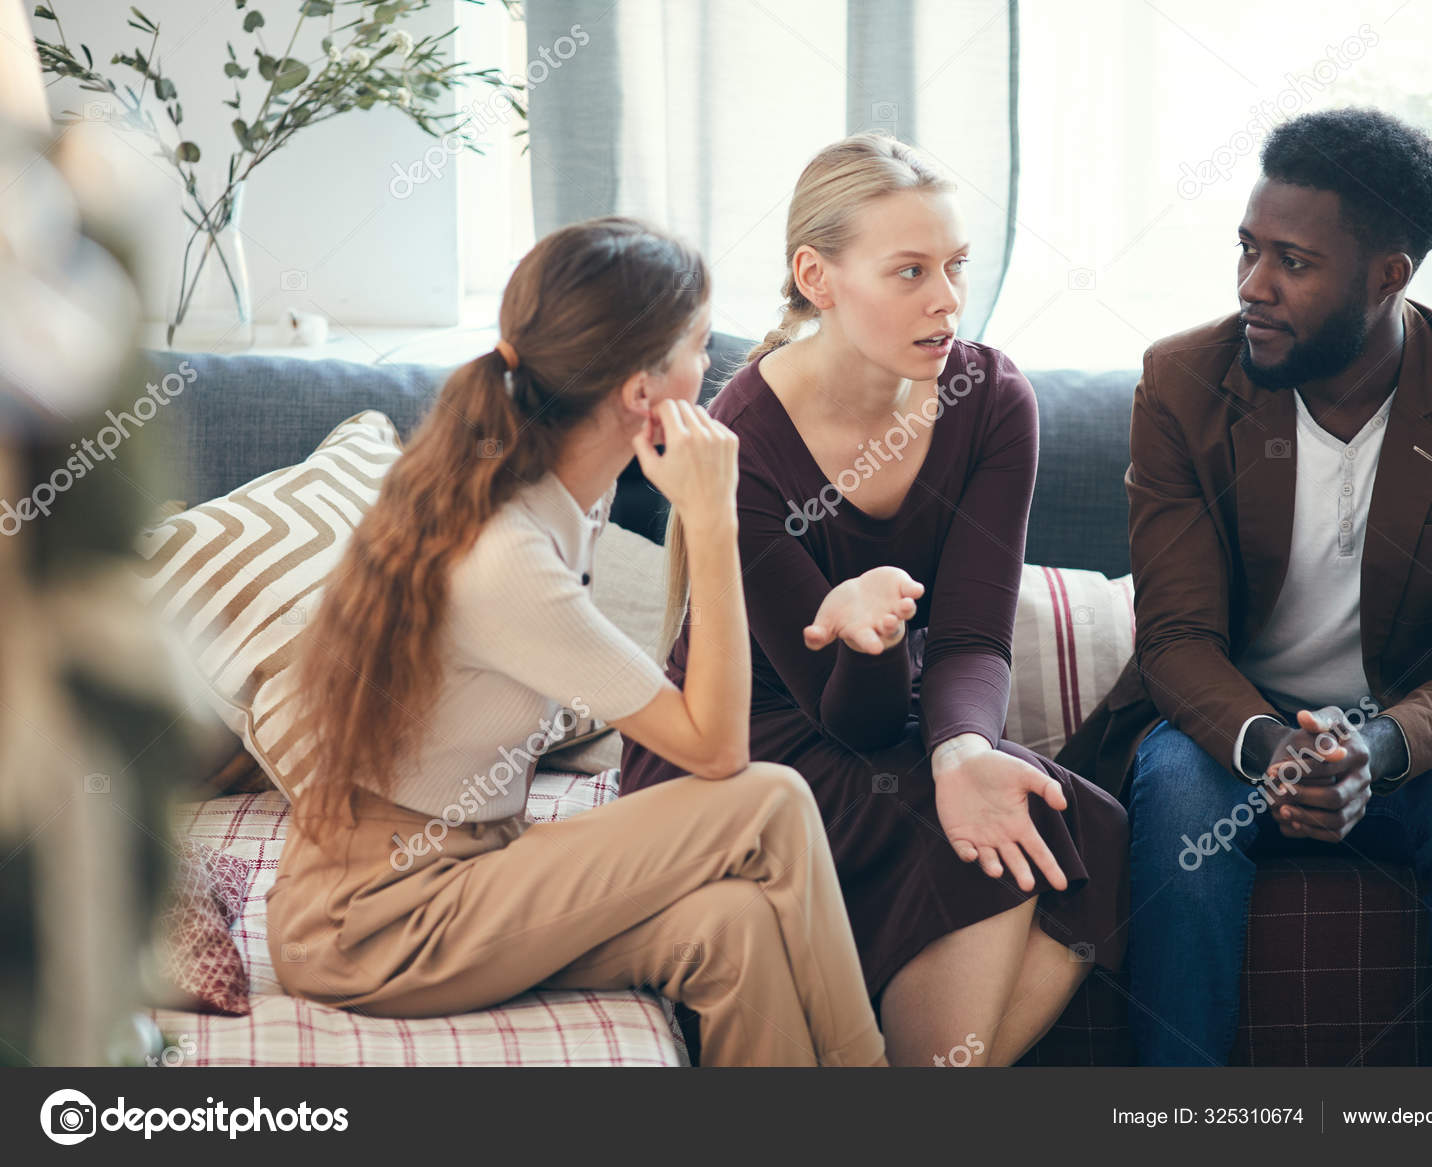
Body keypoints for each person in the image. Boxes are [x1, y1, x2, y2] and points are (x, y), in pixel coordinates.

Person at [266, 217, 887, 1068]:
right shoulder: (507, 551)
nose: (713, 372)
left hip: (468, 865)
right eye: (701, 348)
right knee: (771, 799)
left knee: (732, 927)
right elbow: (717, 748)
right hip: (378, 918)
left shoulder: (545, 489)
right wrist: (711, 520)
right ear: (641, 391)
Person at [1058, 108, 1432, 1066]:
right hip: (1231, 732)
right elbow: (1174, 636)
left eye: (1292, 263)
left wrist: (1372, 751)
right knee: (1175, 786)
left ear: (1390, 275)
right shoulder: (1183, 383)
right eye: (1248, 250)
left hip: (1421, 740)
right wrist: (1273, 749)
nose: (1253, 285)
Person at [620, 134, 1129, 1068]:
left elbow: (974, 637)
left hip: (891, 721)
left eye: (955, 266)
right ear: (818, 276)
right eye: (909, 271)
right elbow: (838, 714)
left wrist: (964, 751)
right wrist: (859, 634)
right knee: (979, 834)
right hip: (751, 751)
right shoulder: (744, 439)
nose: (947, 299)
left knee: (1076, 817)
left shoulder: (989, 396)